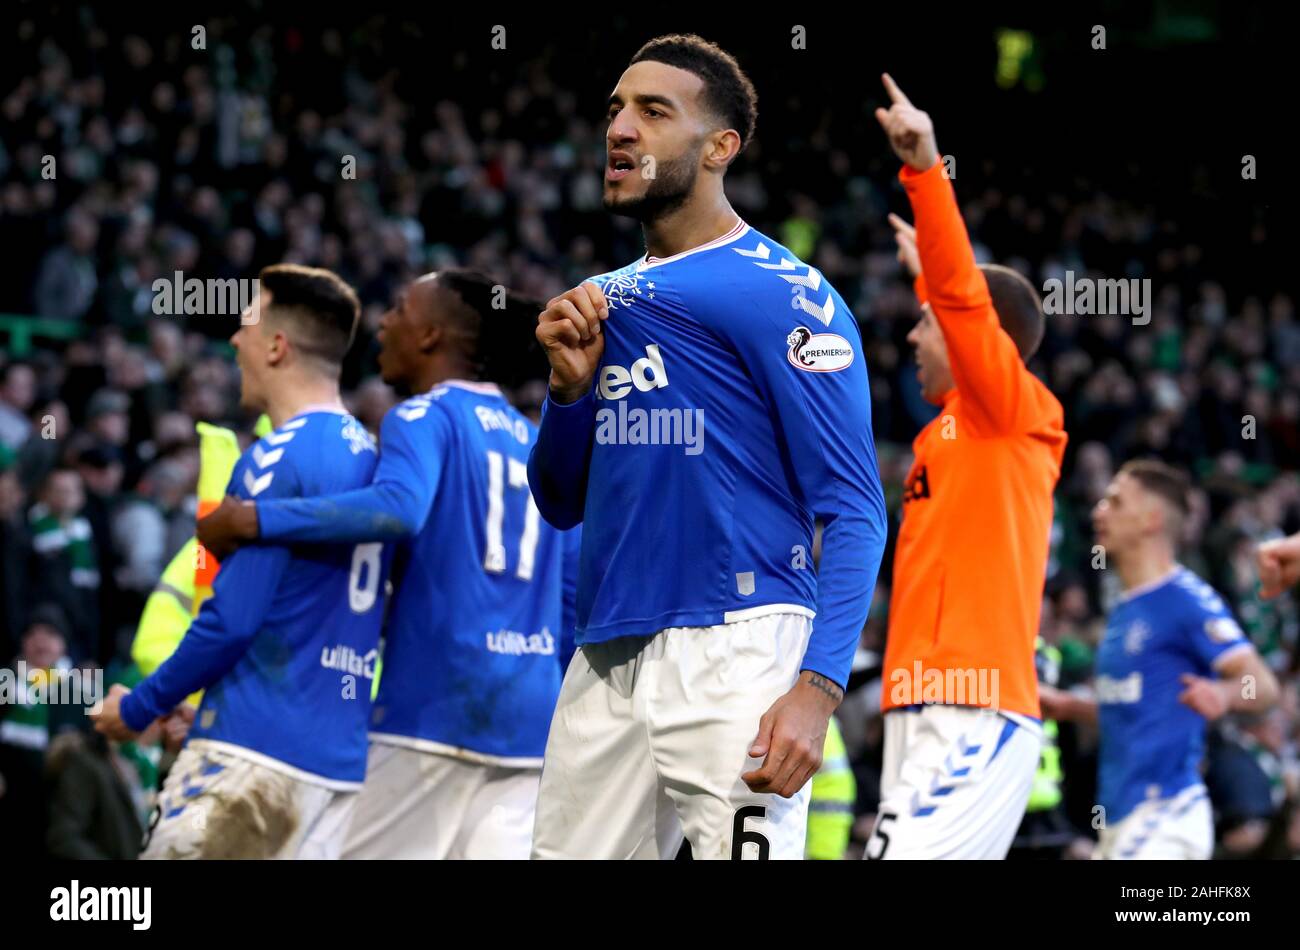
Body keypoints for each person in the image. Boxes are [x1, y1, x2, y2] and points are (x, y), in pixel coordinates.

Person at [527, 34, 887, 860]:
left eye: (654, 112)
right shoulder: (605, 303)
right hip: (605, 654)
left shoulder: (783, 292)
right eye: (615, 110)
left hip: (739, 646)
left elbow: (857, 510)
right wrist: (570, 393)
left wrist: (818, 687)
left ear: (721, 146)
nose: (620, 129)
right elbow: (559, 500)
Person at [198, 270, 574, 859]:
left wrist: (254, 520)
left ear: (429, 336)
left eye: (398, 308)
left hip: (433, 710)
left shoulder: (423, 416)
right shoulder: (533, 441)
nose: (382, 322)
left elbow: (398, 508)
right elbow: (570, 588)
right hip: (529, 723)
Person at [90, 264, 389, 859]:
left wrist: (140, 705)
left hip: (249, 753)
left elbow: (232, 620)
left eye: (247, 323)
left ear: (277, 346)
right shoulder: (376, 460)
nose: (233, 339)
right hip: (341, 767)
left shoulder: (275, 456)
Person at [866, 74, 1068, 860]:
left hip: (974, 706)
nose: (911, 339)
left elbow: (959, 303)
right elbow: (951, 302)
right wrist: (926, 272)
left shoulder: (1012, 411)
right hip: (917, 705)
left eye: (924, 323)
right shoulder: (953, 429)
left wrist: (926, 171)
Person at [1041, 460, 1279, 859]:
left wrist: (1223, 694)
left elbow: (1264, 687)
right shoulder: (1126, 605)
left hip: (1165, 817)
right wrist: (1068, 707)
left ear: (1151, 519)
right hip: (1123, 819)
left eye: (1115, 502)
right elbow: (1139, 707)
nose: (1100, 511)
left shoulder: (1185, 598)